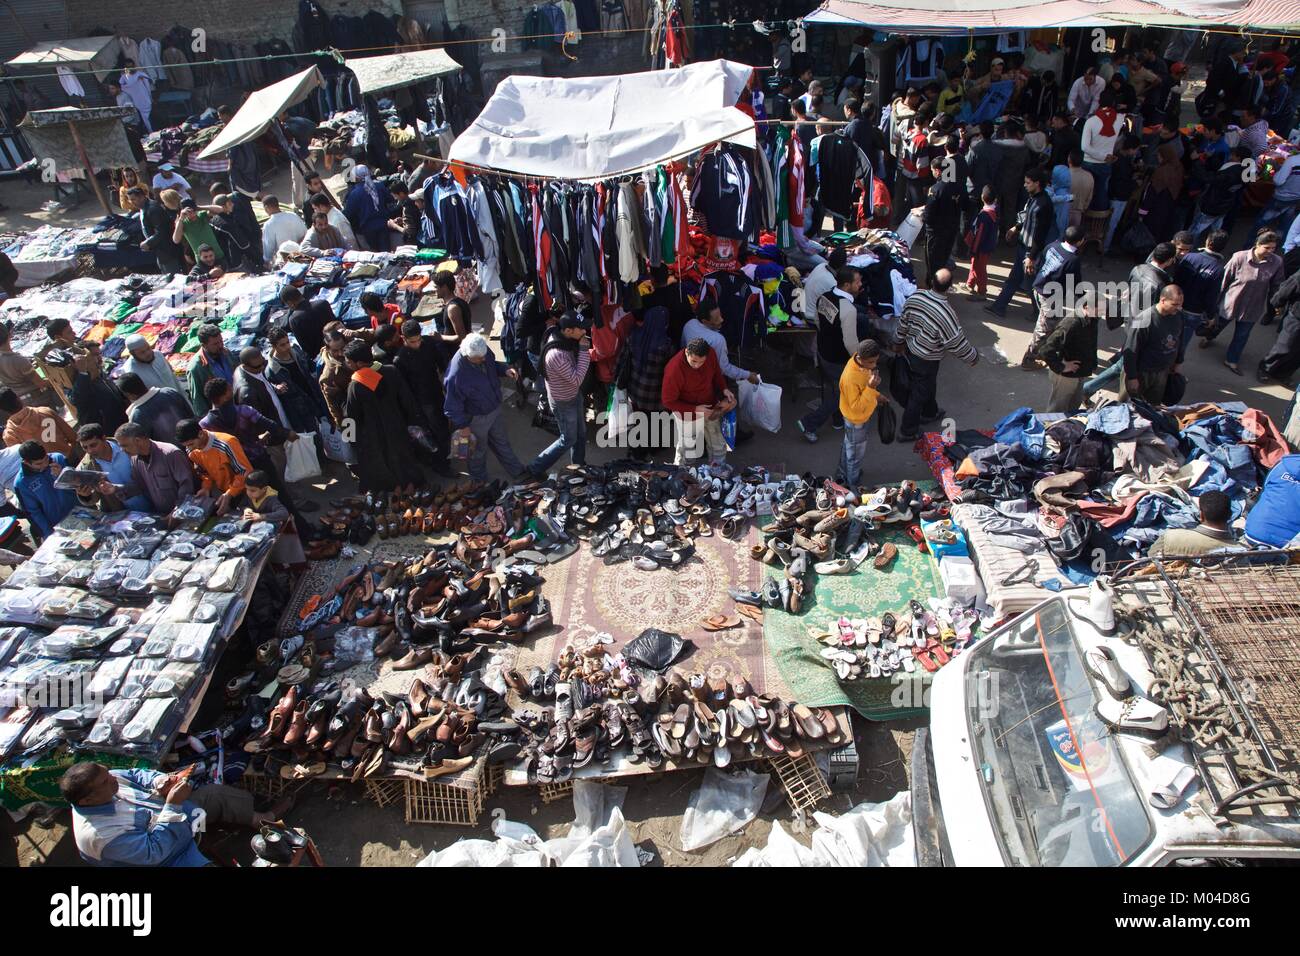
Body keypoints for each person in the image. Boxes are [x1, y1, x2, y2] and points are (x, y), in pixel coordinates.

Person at [61, 762, 289, 867]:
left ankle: (258, 818)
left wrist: (160, 781)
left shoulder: (109, 779)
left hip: (178, 818)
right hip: (168, 858)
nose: (113, 778)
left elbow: (135, 774)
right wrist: (172, 806)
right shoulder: (100, 836)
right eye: (105, 781)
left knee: (212, 795)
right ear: (87, 800)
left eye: (108, 773)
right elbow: (155, 853)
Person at [897, 269, 979, 441]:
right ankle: (908, 430)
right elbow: (956, 343)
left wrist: (898, 342)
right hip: (927, 358)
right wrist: (972, 357)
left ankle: (930, 412)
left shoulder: (915, 297)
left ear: (931, 282)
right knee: (919, 392)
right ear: (949, 288)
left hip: (911, 350)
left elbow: (903, 322)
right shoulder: (946, 313)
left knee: (927, 384)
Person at [344, 340, 429, 491]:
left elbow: (351, 416)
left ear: (358, 363)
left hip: (375, 433)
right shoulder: (390, 370)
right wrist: (414, 421)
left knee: (385, 462)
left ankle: (395, 489)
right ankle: (414, 484)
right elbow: (407, 399)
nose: (347, 364)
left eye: (348, 361)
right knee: (406, 456)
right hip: (398, 424)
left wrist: (350, 439)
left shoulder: (355, 386)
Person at [443, 334, 524, 483]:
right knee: (478, 452)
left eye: (484, 355)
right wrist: (463, 426)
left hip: (494, 408)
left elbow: (492, 364)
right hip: (476, 418)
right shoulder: (456, 375)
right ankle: (480, 482)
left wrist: (505, 369)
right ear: (468, 355)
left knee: (502, 442)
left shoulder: (481, 351)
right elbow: (452, 406)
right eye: (480, 358)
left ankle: (518, 472)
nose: (484, 359)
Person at [1201, 230, 1284, 374]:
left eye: (1273, 248)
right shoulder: (1239, 257)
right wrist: (1214, 302)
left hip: (1253, 307)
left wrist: (1276, 303)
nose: (1270, 251)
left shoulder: (1277, 262)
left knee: (1242, 335)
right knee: (1217, 325)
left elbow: (1276, 285)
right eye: (1267, 247)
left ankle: (1231, 360)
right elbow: (1223, 281)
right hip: (1231, 302)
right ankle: (1209, 337)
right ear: (1257, 244)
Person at [798, 267, 863, 443]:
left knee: (832, 388)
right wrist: (861, 362)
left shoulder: (824, 297)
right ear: (847, 285)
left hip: (823, 352)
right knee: (841, 394)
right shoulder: (849, 309)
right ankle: (809, 423)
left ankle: (837, 420)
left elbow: (819, 322)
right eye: (858, 282)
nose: (860, 284)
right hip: (838, 359)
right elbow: (850, 343)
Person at [524, 312, 591, 477]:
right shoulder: (557, 355)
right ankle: (535, 468)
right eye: (580, 329)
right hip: (563, 402)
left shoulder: (563, 337)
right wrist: (584, 350)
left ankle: (578, 465)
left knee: (581, 434)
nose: (584, 332)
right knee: (568, 439)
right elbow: (576, 379)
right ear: (568, 331)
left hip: (574, 396)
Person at [987, 168, 1054, 317]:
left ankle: (1040, 312)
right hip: (1023, 247)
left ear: (1037, 183)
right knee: (1017, 279)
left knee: (1031, 284)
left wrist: (1031, 256)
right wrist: (1016, 228)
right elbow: (1026, 217)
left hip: (1030, 251)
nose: (1025, 185)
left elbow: (1040, 235)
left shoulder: (1044, 204)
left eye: (1028, 183)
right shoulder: (1033, 198)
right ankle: (1000, 306)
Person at [661, 338, 736, 466]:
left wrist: (724, 389)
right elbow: (668, 401)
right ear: (686, 352)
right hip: (686, 414)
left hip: (711, 407)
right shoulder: (674, 369)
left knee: (717, 442)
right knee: (686, 449)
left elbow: (717, 373)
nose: (697, 365)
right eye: (694, 361)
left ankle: (718, 470)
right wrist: (695, 409)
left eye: (701, 362)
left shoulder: (711, 353)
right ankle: (682, 474)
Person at [394, 320, 455, 476]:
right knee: (434, 432)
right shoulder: (400, 359)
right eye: (412, 342)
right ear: (404, 338)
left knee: (443, 428)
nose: (417, 344)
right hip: (421, 401)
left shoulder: (428, 343)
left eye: (418, 339)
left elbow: (442, 364)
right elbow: (404, 388)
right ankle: (440, 464)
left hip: (436, 392)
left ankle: (443, 457)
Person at [1025, 225, 1085, 368]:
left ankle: (1045, 351)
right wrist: (1085, 299)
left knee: (1053, 324)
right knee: (1043, 329)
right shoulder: (1073, 260)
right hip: (1051, 298)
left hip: (1038, 288)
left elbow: (1039, 264)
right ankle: (1029, 359)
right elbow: (1075, 284)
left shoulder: (1053, 245)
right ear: (1080, 241)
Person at [101, 423, 195, 515]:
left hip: (186, 513)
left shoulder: (170, 454)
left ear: (137, 440)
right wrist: (114, 489)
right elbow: (139, 486)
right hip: (162, 515)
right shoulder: (135, 459)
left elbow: (187, 486)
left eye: (124, 445)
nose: (121, 450)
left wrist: (177, 512)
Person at [1122, 284, 1187, 403]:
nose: (1178, 308)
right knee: (1131, 407)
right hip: (1142, 373)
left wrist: (1178, 361)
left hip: (1162, 372)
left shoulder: (1178, 316)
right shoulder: (1144, 320)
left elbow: (1180, 340)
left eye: (1180, 304)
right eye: (1175, 304)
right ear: (1163, 300)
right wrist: (1132, 377)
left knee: (1153, 407)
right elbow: (1130, 351)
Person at [175, 418, 253, 516]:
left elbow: (245, 472)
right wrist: (206, 487)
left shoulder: (227, 442)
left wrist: (230, 494)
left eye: (191, 444)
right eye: (186, 446)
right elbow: (204, 473)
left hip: (247, 493)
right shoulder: (191, 451)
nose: (190, 448)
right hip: (223, 494)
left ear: (201, 434)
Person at [837, 340, 885, 487]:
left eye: (875, 361)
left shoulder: (861, 365)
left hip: (858, 418)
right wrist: (871, 388)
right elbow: (857, 407)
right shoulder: (850, 377)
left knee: (848, 447)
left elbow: (864, 389)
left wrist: (877, 395)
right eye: (871, 362)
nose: (874, 365)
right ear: (861, 358)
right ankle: (853, 485)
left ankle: (843, 474)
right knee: (855, 456)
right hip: (856, 420)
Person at [1038, 303, 1101, 412]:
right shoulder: (1071, 323)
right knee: (1057, 411)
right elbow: (1046, 350)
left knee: (1073, 408)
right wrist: (1062, 366)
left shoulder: (1092, 319)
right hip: (1066, 377)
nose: (1103, 312)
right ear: (1087, 307)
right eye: (1100, 309)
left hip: (1079, 373)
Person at [75, 423, 152, 512]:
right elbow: (95, 498)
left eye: (93, 445)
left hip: (155, 503)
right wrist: (85, 495)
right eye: (85, 447)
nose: (90, 451)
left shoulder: (127, 446)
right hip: (126, 515)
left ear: (104, 439)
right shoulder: (87, 467)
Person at [1173, 230, 1229, 349]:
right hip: (1193, 312)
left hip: (1175, 305)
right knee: (1181, 343)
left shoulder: (1190, 257)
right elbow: (1211, 297)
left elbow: (1176, 280)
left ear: (1208, 241)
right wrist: (1210, 316)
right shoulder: (1218, 269)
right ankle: (1175, 365)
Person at [266, 326, 328, 433]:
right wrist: (277, 388)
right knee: (314, 436)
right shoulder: (272, 370)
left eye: (287, 342)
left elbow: (310, 366)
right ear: (273, 346)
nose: (287, 347)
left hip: (316, 395)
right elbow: (273, 391)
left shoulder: (296, 351)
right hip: (302, 408)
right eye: (282, 345)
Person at [923, 139, 967, 286]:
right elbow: (964, 205)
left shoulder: (936, 189)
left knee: (933, 262)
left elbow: (929, 214)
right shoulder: (958, 186)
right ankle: (942, 285)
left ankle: (932, 286)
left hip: (936, 232)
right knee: (943, 260)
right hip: (951, 229)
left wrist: (924, 218)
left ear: (937, 171)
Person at [243, 469, 306, 568]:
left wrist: (262, 516)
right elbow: (245, 504)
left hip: (276, 530)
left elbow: (284, 513)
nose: (249, 493)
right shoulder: (253, 494)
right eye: (247, 489)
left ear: (263, 489)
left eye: (252, 490)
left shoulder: (271, 499)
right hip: (260, 528)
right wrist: (247, 509)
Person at [14, 440, 76, 541]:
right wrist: (49, 535)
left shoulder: (58, 459)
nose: (45, 464)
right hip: (58, 525)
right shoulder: (22, 483)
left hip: (80, 512)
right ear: (26, 463)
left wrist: (63, 476)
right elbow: (33, 513)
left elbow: (79, 485)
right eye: (39, 464)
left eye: (46, 459)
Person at [1149, 491, 1238, 557]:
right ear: (1230, 515)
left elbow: (1149, 563)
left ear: (1201, 515)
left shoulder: (1170, 538)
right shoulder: (1242, 551)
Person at [1, 389, 79, 459]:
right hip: (69, 458)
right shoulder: (45, 412)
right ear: (18, 398)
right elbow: (72, 436)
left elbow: (21, 459)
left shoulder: (9, 434)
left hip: (46, 471)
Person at [118, 373, 194, 445]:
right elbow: (191, 415)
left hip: (171, 456)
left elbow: (145, 445)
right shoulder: (169, 392)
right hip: (195, 444)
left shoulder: (137, 416)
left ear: (128, 394)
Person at [0, 322, 60, 411]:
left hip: (22, 403)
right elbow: (41, 383)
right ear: (10, 334)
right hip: (39, 400)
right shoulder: (18, 359)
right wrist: (59, 379)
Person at [1080, 90, 1124, 211]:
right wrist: (1105, 157)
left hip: (1089, 162)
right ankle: (1098, 222)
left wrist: (1101, 156)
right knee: (1101, 192)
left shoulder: (1091, 121)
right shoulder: (1120, 119)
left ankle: (1082, 215)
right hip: (1106, 163)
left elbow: (1084, 147)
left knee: (1085, 192)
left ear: (1099, 102)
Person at [128, 186, 184, 274]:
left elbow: (162, 231)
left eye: (133, 199)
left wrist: (148, 242)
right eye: (130, 200)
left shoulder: (152, 209)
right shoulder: (144, 208)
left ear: (142, 197)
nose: (131, 202)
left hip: (168, 251)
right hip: (160, 251)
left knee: (173, 276)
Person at [344, 165, 395, 252]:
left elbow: (348, 213)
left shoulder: (355, 193)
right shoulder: (379, 186)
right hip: (384, 224)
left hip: (367, 229)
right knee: (386, 252)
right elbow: (390, 200)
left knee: (373, 253)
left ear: (357, 177)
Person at [1141, 143, 1186, 243]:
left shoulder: (1161, 172)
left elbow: (1151, 194)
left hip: (1155, 210)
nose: (1158, 157)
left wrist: (1142, 212)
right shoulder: (1178, 167)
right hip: (1169, 208)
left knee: (1149, 233)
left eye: (1159, 155)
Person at [188, 325, 236, 415]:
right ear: (203, 345)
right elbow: (197, 399)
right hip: (221, 413)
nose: (220, 345)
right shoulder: (196, 367)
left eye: (221, 341)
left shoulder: (226, 353)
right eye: (215, 344)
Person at [280, 286, 335, 359]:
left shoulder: (294, 320)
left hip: (322, 356)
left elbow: (306, 348)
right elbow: (336, 324)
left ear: (290, 303)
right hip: (337, 344)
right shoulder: (323, 303)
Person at [963, 186, 998, 298]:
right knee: (975, 265)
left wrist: (973, 249)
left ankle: (982, 292)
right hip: (986, 246)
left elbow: (979, 235)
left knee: (980, 269)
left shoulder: (984, 216)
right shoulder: (995, 212)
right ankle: (970, 283)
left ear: (982, 197)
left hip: (980, 248)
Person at [172, 200, 225, 266]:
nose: (192, 213)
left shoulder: (202, 215)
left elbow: (221, 209)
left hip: (217, 255)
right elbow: (176, 240)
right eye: (189, 212)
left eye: (194, 210)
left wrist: (199, 207)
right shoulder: (182, 223)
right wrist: (181, 219)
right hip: (202, 260)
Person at [318, 328, 351, 428]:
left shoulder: (351, 351)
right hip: (349, 417)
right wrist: (343, 428)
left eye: (342, 348)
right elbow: (332, 406)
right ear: (327, 349)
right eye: (335, 351)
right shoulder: (328, 375)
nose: (340, 353)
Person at [261, 195, 304, 264]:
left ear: (266, 208)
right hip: (301, 256)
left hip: (285, 261)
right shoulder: (293, 215)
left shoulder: (269, 225)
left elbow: (268, 249)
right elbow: (304, 234)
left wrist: (267, 262)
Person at [433, 271, 471, 340]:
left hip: (455, 349)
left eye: (436, 287)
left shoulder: (453, 309)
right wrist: (445, 306)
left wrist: (440, 337)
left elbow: (462, 337)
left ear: (444, 287)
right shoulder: (458, 301)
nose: (434, 290)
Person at [118, 61, 154, 132]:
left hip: (145, 100)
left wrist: (143, 79)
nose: (130, 69)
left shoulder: (141, 74)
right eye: (128, 67)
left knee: (149, 119)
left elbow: (150, 82)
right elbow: (121, 86)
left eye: (132, 67)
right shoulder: (124, 77)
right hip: (134, 102)